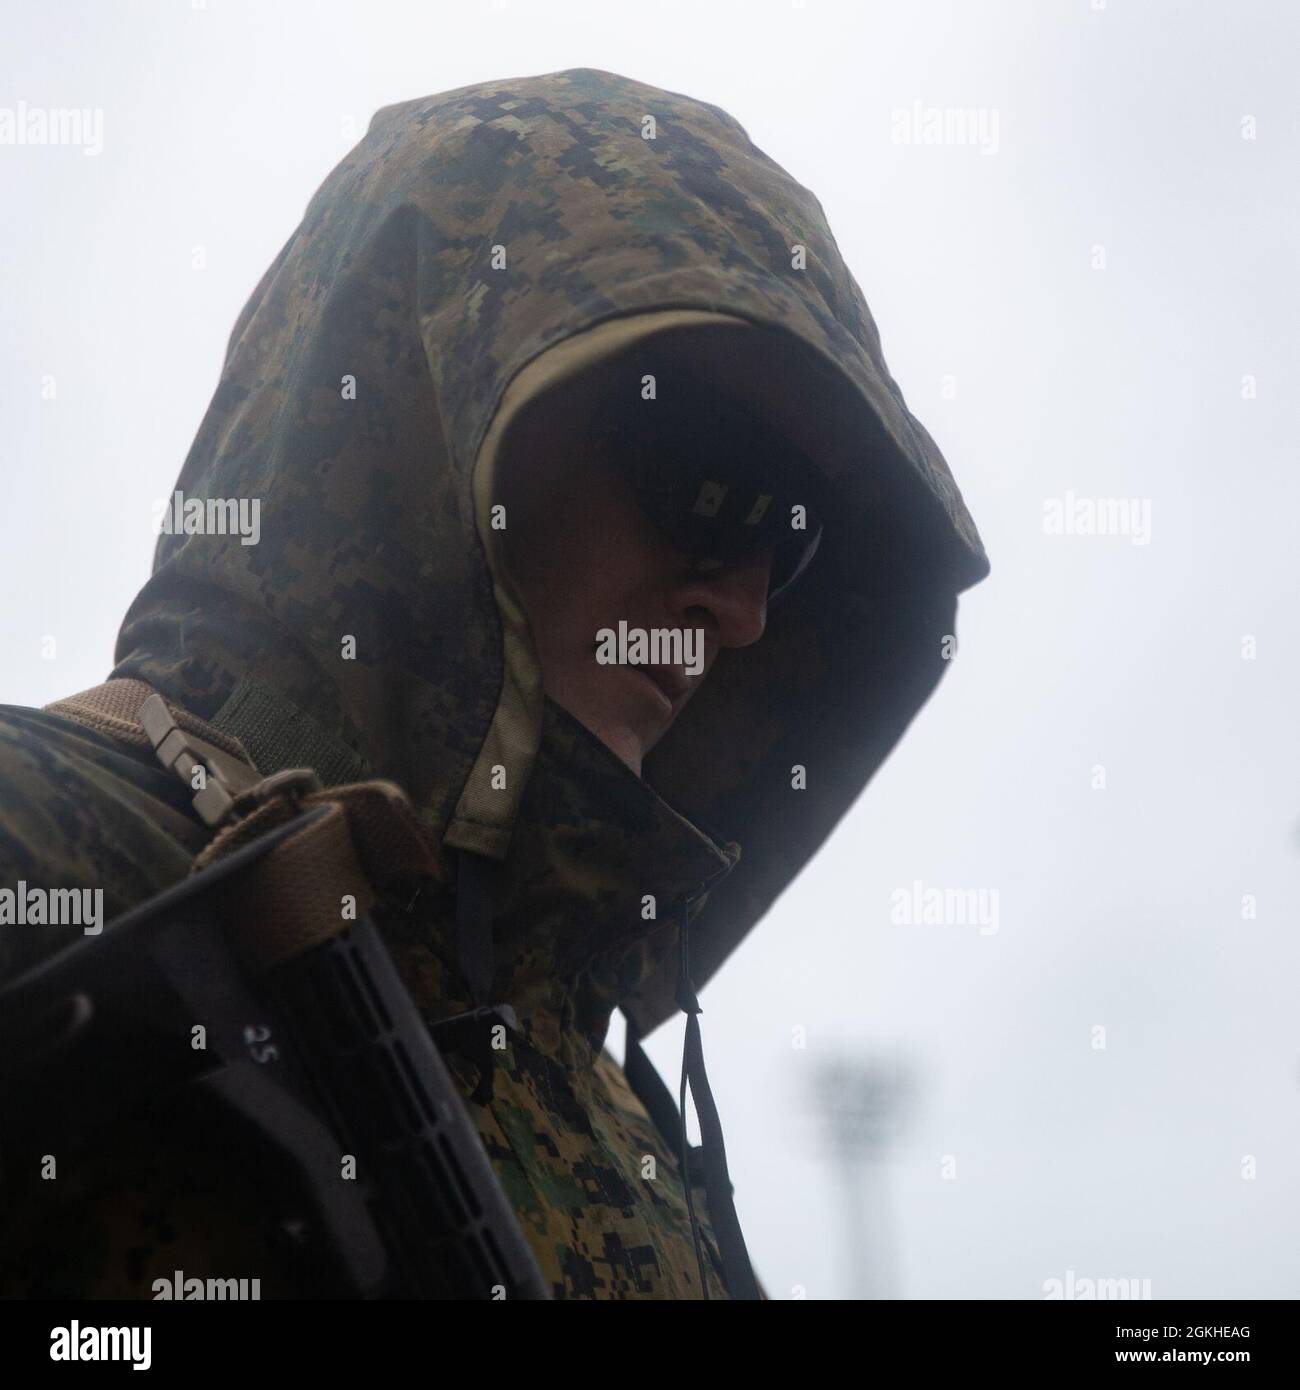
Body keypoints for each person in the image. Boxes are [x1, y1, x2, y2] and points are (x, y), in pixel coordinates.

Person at [0, 67, 990, 1299]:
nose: (739, 609)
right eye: (717, 488)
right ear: (440, 422)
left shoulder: (622, 1114)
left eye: (791, 537)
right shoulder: (44, 853)